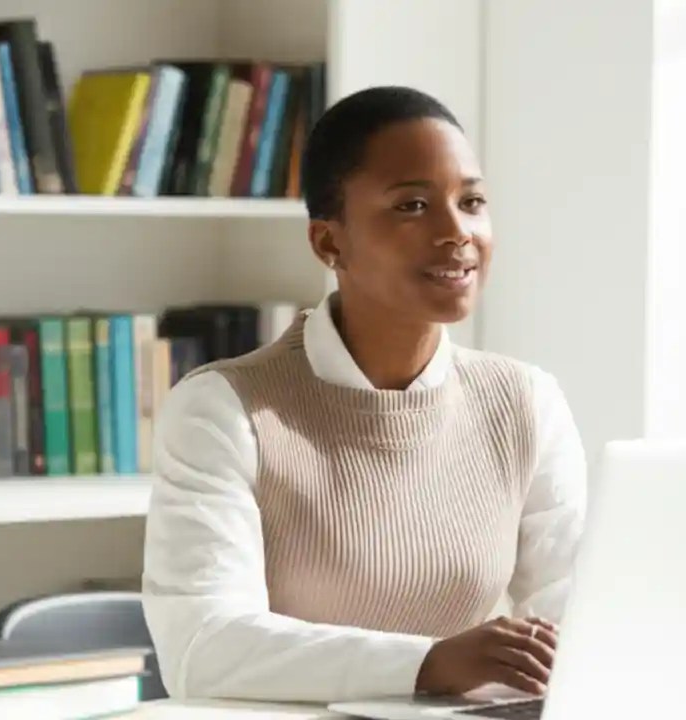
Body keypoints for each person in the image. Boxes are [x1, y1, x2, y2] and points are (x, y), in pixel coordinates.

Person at [141, 85, 587, 704]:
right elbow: (205, 648)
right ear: (329, 243)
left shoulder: (527, 403)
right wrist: (429, 663)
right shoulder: (224, 409)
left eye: (473, 201)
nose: (457, 231)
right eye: (412, 206)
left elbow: (577, 623)